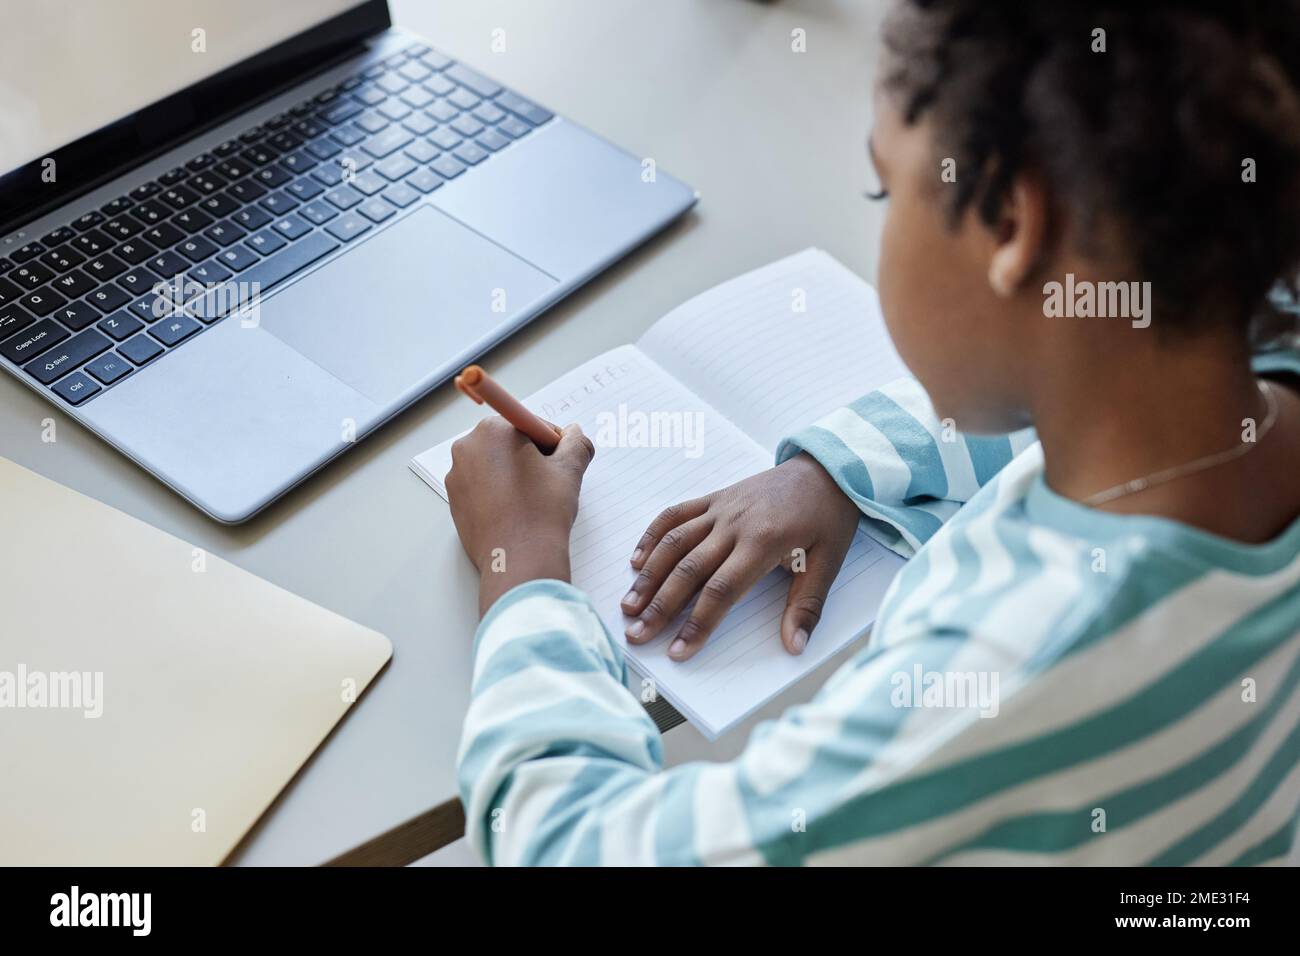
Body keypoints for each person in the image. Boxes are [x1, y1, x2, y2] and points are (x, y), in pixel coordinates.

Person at [446, 0, 1300, 865]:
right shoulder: (1251, 350)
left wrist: (524, 575)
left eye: (885, 189)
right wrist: (840, 468)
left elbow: (569, 845)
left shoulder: (1005, 681)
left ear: (1011, 223)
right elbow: (1110, 377)